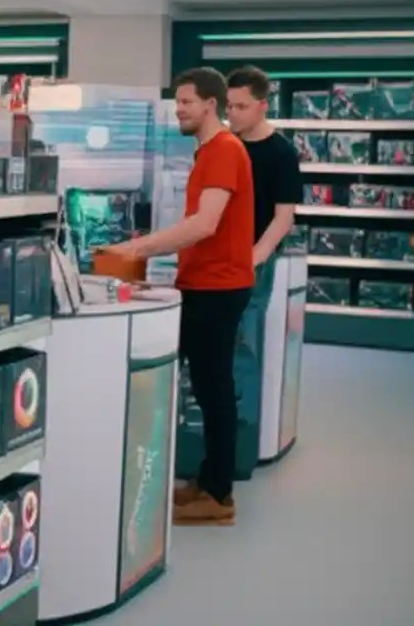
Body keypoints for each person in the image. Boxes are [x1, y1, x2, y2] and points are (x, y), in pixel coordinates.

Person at [104, 67, 254, 526]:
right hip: (204, 284)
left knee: (214, 390)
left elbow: (205, 224)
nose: (179, 110)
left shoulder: (224, 150)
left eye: (186, 102)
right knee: (208, 388)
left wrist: (140, 247)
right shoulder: (208, 151)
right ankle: (209, 482)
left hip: (218, 287)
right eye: (177, 103)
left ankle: (220, 496)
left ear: (211, 104)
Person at [225, 66, 303, 474]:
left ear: (262, 105)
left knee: (243, 348)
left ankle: (240, 448)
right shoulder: (225, 146)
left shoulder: (281, 152)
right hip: (218, 263)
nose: (233, 114)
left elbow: (284, 217)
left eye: (240, 106)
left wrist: (255, 257)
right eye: (228, 106)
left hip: (253, 263)